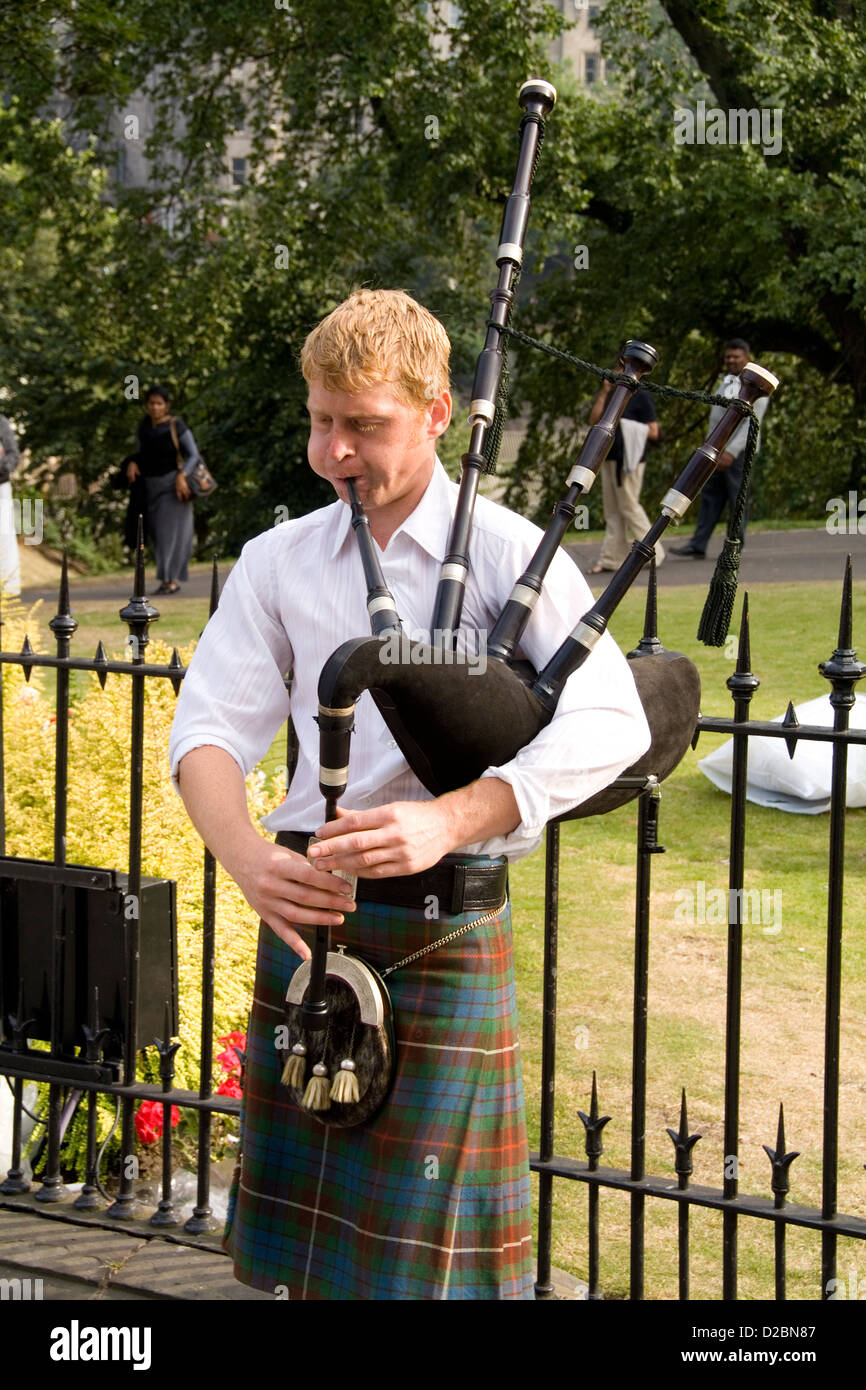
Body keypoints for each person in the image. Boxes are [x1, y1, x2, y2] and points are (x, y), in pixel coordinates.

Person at [168, 289, 651, 1301]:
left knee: (428, 1276)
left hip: (444, 918)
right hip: (313, 924)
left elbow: (614, 721)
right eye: (319, 420)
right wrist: (250, 859)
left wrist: (452, 815)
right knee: (309, 1268)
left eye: (364, 424)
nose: (334, 450)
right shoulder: (278, 561)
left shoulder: (511, 552)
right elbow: (208, 729)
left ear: (436, 414)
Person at [671, 338, 769, 558]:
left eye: (736, 357)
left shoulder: (756, 387)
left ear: (747, 359)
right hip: (716, 452)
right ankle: (698, 544)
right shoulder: (726, 383)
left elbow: (752, 425)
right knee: (710, 497)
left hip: (738, 453)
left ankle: (734, 546)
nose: (731, 360)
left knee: (737, 500)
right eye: (728, 357)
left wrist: (731, 452)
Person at [125, 385, 200, 594]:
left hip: (173, 487)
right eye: (151, 403)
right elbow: (139, 453)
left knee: (170, 535)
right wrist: (132, 462)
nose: (155, 407)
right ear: (147, 405)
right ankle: (166, 578)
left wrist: (182, 476)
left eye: (159, 403)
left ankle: (171, 580)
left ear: (166, 405)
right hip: (149, 488)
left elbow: (194, 455)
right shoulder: (144, 427)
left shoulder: (177, 425)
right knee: (156, 534)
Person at [588, 371, 664, 574]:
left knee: (628, 506)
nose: (616, 371)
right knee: (612, 510)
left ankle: (653, 550)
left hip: (630, 460)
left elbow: (654, 431)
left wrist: (627, 428)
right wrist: (604, 393)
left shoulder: (642, 397)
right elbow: (594, 421)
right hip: (609, 457)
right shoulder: (612, 395)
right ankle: (611, 559)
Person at [0, 412, 21, 597]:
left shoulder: (2, 423)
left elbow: (13, 455)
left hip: (1, 486)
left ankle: (8, 587)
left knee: (4, 536)